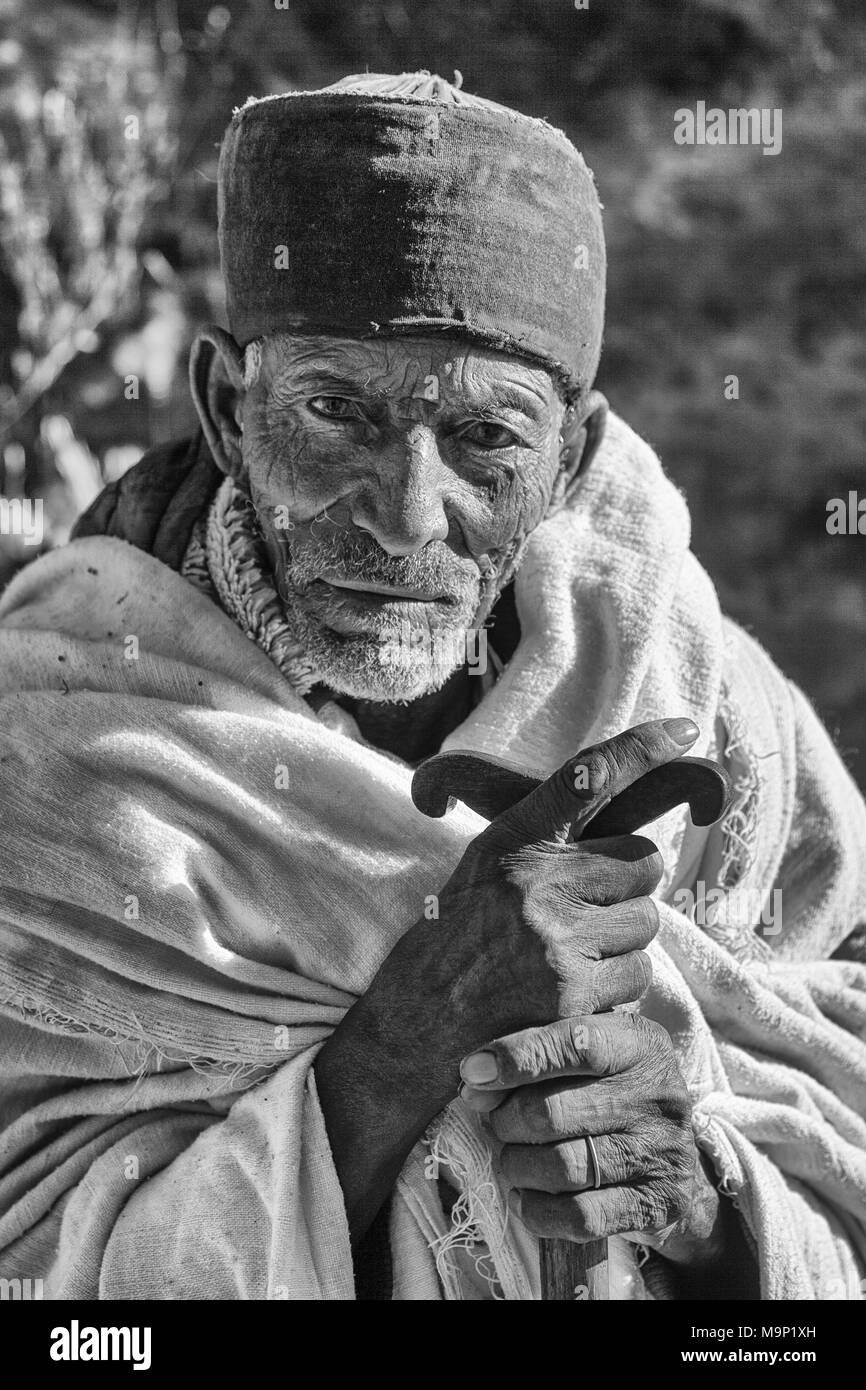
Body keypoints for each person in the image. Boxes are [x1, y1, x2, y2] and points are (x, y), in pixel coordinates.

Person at [0, 71, 864, 1301]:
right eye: (336, 410)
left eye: (484, 440)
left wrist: (705, 1203)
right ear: (226, 408)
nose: (407, 522)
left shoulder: (709, 704)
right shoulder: (50, 745)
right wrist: (415, 1030)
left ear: (566, 459)